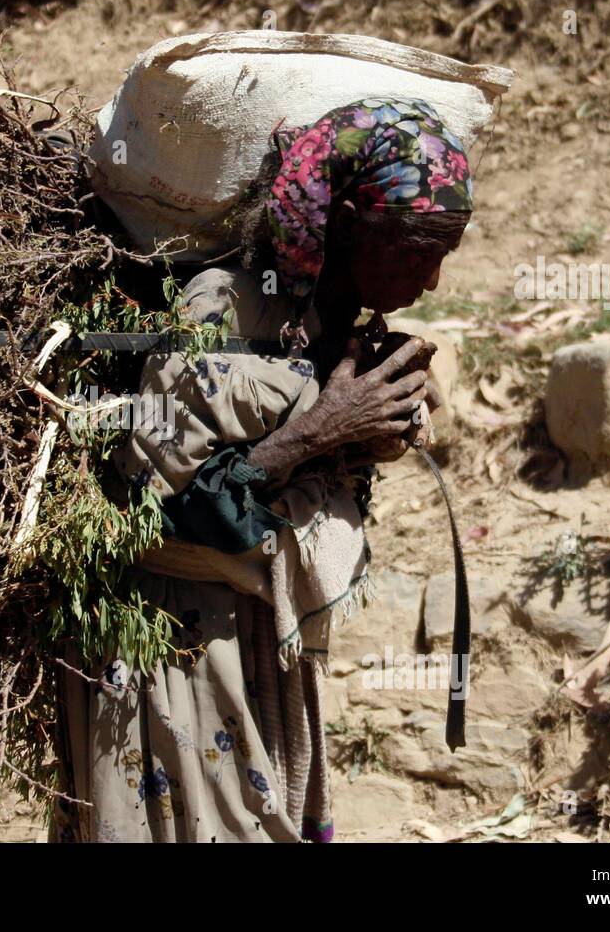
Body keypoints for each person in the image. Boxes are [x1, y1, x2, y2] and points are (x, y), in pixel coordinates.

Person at [53, 97, 474, 842]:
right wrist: (321, 432)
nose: (432, 279)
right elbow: (148, 513)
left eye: (446, 252)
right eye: (415, 249)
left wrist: (363, 442)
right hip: (174, 651)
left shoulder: (334, 328)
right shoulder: (225, 307)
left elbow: (285, 492)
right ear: (345, 222)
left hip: (263, 646)